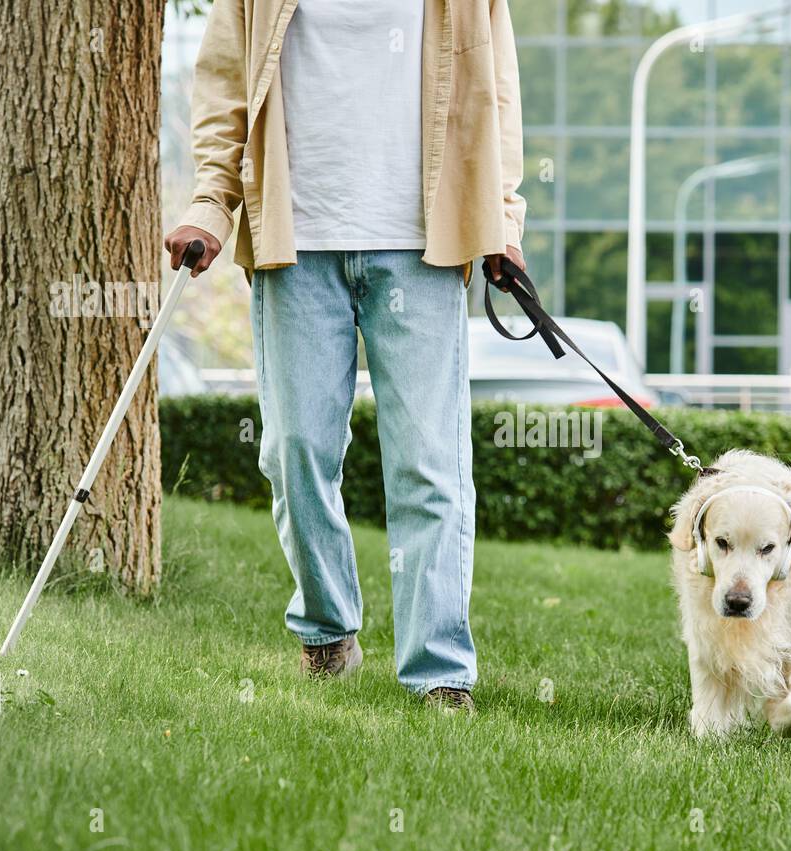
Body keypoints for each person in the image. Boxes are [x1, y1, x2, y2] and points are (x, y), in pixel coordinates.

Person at [164, 0, 527, 714]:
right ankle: (328, 628)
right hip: (295, 237)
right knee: (294, 450)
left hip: (424, 242)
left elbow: (498, 94)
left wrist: (502, 218)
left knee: (429, 461)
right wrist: (211, 203)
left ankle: (440, 673)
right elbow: (224, 84)